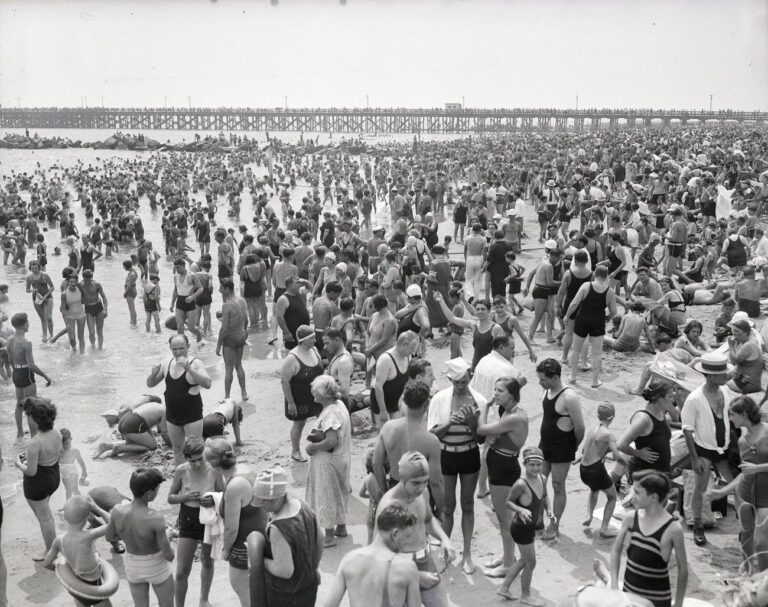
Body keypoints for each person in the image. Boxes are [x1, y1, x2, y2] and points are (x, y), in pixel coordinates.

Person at [428, 357, 487, 574]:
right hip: (447, 456)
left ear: (469, 377)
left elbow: (480, 439)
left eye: (463, 381)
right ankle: (446, 551)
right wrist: (450, 422)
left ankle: (468, 553)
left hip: (469, 454)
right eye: (456, 382)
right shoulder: (440, 399)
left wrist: (472, 424)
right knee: (447, 506)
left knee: (468, 504)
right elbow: (432, 434)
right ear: (450, 380)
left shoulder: (479, 400)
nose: (460, 386)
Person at [376, 452, 455, 607]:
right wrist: (416, 576)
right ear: (402, 479)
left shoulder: (423, 493)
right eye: (416, 483)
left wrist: (444, 539)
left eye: (425, 482)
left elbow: (428, 519)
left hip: (424, 560)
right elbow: (379, 554)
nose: (421, 487)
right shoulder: (389, 505)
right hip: (398, 569)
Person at [246, 467, 324, 607]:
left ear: (278, 497)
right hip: (309, 586)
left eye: (265, 502)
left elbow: (284, 570)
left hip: (286, 596)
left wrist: (258, 560)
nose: (262, 507)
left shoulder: (278, 528)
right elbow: (321, 538)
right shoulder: (302, 505)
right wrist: (314, 568)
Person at [609, 471, 688, 607]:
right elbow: (616, 551)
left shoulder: (673, 529)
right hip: (629, 598)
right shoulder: (630, 518)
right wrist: (615, 587)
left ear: (653, 497)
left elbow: (683, 570)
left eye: (638, 493)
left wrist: (678, 604)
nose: (632, 497)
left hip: (657, 602)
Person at [476, 377, 529, 578]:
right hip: (499, 466)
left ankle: (508, 563)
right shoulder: (507, 410)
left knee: (505, 519)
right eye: (495, 390)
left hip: (504, 469)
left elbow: (481, 430)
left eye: (500, 391)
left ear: (512, 394)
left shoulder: (515, 417)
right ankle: (508, 556)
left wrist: (485, 407)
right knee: (503, 517)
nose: (495, 393)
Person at [681, 352, 735, 546]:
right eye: (722, 374)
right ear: (711, 376)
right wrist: (695, 459)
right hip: (704, 449)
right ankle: (698, 525)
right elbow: (687, 430)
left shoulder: (726, 391)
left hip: (724, 448)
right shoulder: (694, 399)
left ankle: (745, 525)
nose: (726, 376)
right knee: (700, 489)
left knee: (736, 485)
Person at [708, 396, 768, 574]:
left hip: (766, 498)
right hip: (746, 494)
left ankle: (763, 582)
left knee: (761, 543)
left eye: (733, 414)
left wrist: (758, 468)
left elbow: (752, 469)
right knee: (746, 539)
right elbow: (744, 473)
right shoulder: (742, 440)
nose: (730, 418)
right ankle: (750, 576)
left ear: (744, 414)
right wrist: (723, 491)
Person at [204, 438, 267, 606]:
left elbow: (232, 528)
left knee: (244, 592)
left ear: (214, 466)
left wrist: (226, 549)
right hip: (261, 538)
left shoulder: (234, 486)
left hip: (244, 546)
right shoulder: (246, 469)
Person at [373, 380, 445, 519]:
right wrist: (441, 509)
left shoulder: (388, 427)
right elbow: (436, 481)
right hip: (419, 493)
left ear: (405, 402)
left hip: (394, 487)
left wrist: (383, 489)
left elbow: (377, 464)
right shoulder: (431, 440)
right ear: (426, 404)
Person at [325, 504, 422, 607]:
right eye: (407, 536)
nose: (408, 542)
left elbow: (329, 605)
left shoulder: (349, 560)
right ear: (395, 534)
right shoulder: (407, 568)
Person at [105, 468, 175, 607]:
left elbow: (109, 536)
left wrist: (128, 534)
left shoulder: (118, 510)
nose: (158, 491)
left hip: (133, 566)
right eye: (157, 489)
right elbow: (169, 556)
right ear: (149, 494)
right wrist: (169, 536)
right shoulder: (155, 518)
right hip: (156, 566)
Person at [536, 358, 585, 540]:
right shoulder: (546, 391)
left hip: (561, 448)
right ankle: (539, 518)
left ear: (555, 377)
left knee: (557, 486)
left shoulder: (569, 397)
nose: (540, 382)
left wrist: (572, 448)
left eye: (543, 379)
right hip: (545, 445)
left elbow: (580, 428)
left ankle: (554, 525)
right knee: (538, 483)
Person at [497, 447, 551, 606]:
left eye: (538, 465)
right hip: (520, 529)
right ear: (524, 464)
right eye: (531, 465)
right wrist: (521, 509)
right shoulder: (521, 484)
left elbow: (546, 497)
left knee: (523, 560)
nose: (535, 468)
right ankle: (526, 595)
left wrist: (550, 511)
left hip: (529, 528)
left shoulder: (542, 478)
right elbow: (508, 502)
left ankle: (504, 588)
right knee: (531, 563)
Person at [146, 334, 212, 465]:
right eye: (174, 349)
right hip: (172, 415)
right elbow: (150, 384)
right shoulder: (167, 363)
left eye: (181, 348)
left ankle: (201, 476)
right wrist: (153, 374)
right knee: (177, 449)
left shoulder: (196, 363)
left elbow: (207, 383)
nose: (178, 352)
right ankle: (181, 476)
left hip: (192, 414)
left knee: (196, 449)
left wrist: (188, 368)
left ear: (188, 347)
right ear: (170, 348)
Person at [167, 437, 217, 607]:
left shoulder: (213, 470)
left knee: (208, 561)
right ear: (186, 458)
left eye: (200, 459)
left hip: (208, 519)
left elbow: (225, 496)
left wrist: (213, 501)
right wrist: (185, 497)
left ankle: (204, 599)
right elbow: (170, 498)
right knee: (181, 571)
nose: (197, 464)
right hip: (188, 519)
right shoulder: (182, 471)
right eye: (192, 460)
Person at [305, 375, 352, 548]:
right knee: (339, 492)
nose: (313, 394)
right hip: (340, 458)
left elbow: (331, 441)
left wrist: (314, 447)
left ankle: (330, 536)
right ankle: (341, 527)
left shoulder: (331, 412)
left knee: (327, 496)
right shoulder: (340, 406)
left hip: (328, 462)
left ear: (324, 394)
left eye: (315, 391)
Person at [42, 495, 114, 607]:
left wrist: (64, 572)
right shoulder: (88, 536)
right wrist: (96, 508)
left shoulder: (59, 540)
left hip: (75, 584)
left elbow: (47, 563)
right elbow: (112, 523)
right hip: (93, 585)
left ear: (65, 517)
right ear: (88, 517)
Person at [14, 396, 62, 560]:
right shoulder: (56, 433)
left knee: (44, 517)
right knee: (46, 515)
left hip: (38, 482)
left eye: (28, 416)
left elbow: (31, 472)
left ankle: (50, 550)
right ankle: (54, 545)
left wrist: (18, 464)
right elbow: (57, 454)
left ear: (34, 419)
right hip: (54, 475)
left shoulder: (35, 442)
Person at [566, 265, 617, 387]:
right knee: (597, 353)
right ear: (606, 277)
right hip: (598, 321)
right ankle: (595, 381)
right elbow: (614, 312)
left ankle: (573, 376)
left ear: (594, 274)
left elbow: (574, 303)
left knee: (576, 349)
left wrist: (567, 316)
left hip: (582, 319)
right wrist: (608, 318)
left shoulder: (586, 286)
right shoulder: (610, 291)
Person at [577, 403, 623, 538]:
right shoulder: (608, 434)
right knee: (612, 497)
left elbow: (584, 451)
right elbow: (617, 456)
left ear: (598, 415)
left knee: (594, 489)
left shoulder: (592, 430)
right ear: (612, 418)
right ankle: (604, 529)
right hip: (596, 470)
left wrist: (602, 452)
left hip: (583, 469)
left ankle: (589, 515)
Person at [618, 381, 677, 483]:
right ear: (659, 398)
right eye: (669, 396)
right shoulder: (643, 419)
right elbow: (620, 444)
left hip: (659, 475)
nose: (672, 399)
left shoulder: (660, 412)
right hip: (644, 476)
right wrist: (638, 453)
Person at [281, 324, 324, 462]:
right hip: (299, 397)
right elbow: (284, 382)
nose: (315, 341)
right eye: (312, 338)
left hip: (317, 395)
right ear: (303, 340)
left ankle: (322, 446)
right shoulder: (292, 359)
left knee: (324, 419)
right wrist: (291, 403)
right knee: (299, 424)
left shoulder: (315, 350)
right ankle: (295, 451)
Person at [6, 312, 52, 437]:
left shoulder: (9, 339)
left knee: (19, 403)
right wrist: (45, 376)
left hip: (16, 372)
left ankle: (20, 433)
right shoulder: (26, 342)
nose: (28, 324)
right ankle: (33, 437)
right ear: (23, 325)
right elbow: (31, 365)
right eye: (27, 322)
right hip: (26, 374)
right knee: (31, 408)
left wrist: (16, 370)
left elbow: (10, 359)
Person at [93, 394, 170, 458]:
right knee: (152, 447)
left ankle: (106, 446)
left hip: (125, 420)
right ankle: (119, 449)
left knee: (133, 444)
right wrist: (171, 445)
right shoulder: (165, 411)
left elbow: (149, 425)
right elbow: (163, 432)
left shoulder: (156, 406)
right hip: (133, 424)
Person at [370, 330, 419, 426]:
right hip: (382, 401)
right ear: (404, 344)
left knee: (397, 430)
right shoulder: (385, 359)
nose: (413, 351)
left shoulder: (407, 356)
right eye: (412, 348)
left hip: (396, 400)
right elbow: (378, 386)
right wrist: (383, 411)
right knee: (385, 433)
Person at [216, 277, 249, 401]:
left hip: (230, 339)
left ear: (228, 289)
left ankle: (227, 397)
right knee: (239, 365)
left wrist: (218, 345)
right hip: (240, 336)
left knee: (229, 369)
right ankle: (244, 393)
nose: (219, 291)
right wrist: (245, 331)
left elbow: (224, 329)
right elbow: (246, 320)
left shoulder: (227, 305)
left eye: (221, 288)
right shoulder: (242, 300)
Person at [273, 275, 312, 349]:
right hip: (292, 333)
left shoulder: (299, 293)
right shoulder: (283, 299)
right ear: (290, 285)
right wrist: (287, 333)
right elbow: (279, 317)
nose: (299, 285)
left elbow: (310, 287)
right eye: (296, 283)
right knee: (291, 353)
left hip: (303, 332)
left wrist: (304, 281)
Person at [727, 317, 763, 394]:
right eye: (733, 330)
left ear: (746, 333)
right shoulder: (745, 341)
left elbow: (733, 361)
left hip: (747, 384)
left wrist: (730, 346)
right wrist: (735, 343)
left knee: (721, 385)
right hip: (747, 380)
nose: (734, 333)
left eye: (737, 331)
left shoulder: (749, 345)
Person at [170, 258, 203, 340]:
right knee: (180, 326)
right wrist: (172, 304)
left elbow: (201, 289)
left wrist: (192, 296)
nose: (176, 270)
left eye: (178, 268)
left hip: (190, 304)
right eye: (175, 268)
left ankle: (199, 335)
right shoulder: (176, 276)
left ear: (184, 266)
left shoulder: (192, 275)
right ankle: (183, 344)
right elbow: (175, 291)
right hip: (179, 304)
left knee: (191, 328)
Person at [25, 259, 55, 341]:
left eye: (35, 268)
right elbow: (27, 290)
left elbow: (52, 287)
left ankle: (51, 335)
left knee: (48, 317)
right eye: (32, 268)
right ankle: (45, 335)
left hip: (48, 297)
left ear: (39, 268)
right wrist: (32, 290)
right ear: (30, 268)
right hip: (36, 298)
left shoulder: (45, 275)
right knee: (42, 318)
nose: (34, 270)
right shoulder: (29, 278)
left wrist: (45, 297)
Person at [79, 270, 108, 350]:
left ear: (91, 278)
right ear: (83, 278)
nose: (87, 282)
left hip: (98, 307)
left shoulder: (97, 285)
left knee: (99, 331)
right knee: (91, 332)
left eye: (89, 280)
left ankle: (100, 350)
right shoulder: (80, 285)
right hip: (88, 308)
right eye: (85, 280)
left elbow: (104, 298)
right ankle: (93, 346)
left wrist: (105, 309)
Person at [60, 273, 87, 353]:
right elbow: (63, 309)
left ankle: (82, 354)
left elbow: (86, 297)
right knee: (72, 338)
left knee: (81, 336)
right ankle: (74, 350)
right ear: (68, 282)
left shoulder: (80, 289)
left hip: (81, 315)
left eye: (75, 282)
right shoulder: (64, 294)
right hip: (70, 316)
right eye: (71, 282)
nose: (73, 284)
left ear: (77, 282)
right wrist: (66, 323)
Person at [59, 428, 87, 499]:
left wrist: (84, 472)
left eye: (67, 443)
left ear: (71, 439)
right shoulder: (59, 451)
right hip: (64, 474)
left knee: (74, 489)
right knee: (68, 490)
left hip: (72, 472)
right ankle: (68, 504)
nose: (65, 446)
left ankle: (83, 501)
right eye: (63, 444)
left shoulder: (74, 450)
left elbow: (81, 462)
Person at [123, 259, 138, 325]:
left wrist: (125, 293)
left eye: (123, 266)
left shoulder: (131, 274)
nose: (123, 268)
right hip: (133, 290)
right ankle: (132, 321)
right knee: (131, 308)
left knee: (131, 308)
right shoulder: (133, 272)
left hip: (130, 292)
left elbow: (129, 286)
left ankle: (133, 322)